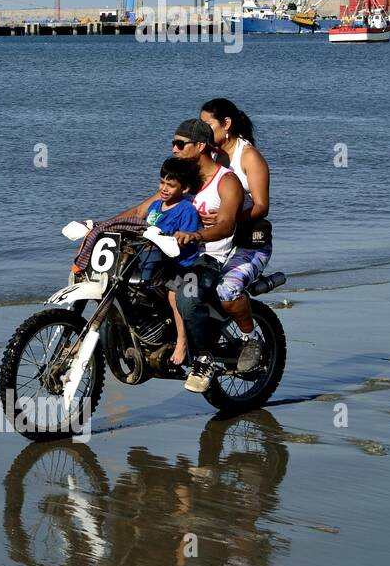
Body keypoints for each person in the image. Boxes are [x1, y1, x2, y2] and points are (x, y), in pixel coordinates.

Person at [72, 157, 202, 366]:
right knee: (119, 290)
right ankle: (109, 338)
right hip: (153, 262)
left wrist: (178, 237)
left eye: (171, 185)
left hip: (180, 265)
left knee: (173, 296)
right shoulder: (156, 206)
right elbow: (142, 227)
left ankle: (182, 342)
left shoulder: (186, 209)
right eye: (162, 182)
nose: (164, 188)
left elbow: (188, 240)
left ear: (184, 187)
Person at [169, 118, 247, 393]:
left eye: (180, 144)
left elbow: (227, 224)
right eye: (173, 144)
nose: (174, 149)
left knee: (186, 295)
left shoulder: (227, 181)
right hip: (178, 253)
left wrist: (197, 235)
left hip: (211, 257)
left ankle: (205, 357)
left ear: (200, 146)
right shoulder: (184, 180)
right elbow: (147, 208)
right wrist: (100, 225)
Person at [200, 98, 271, 373]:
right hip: (213, 239)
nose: (203, 131)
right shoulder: (211, 155)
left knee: (226, 290)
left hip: (247, 243)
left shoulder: (249, 156)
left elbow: (262, 206)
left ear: (226, 124)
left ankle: (251, 340)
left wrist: (227, 219)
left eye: (208, 125)